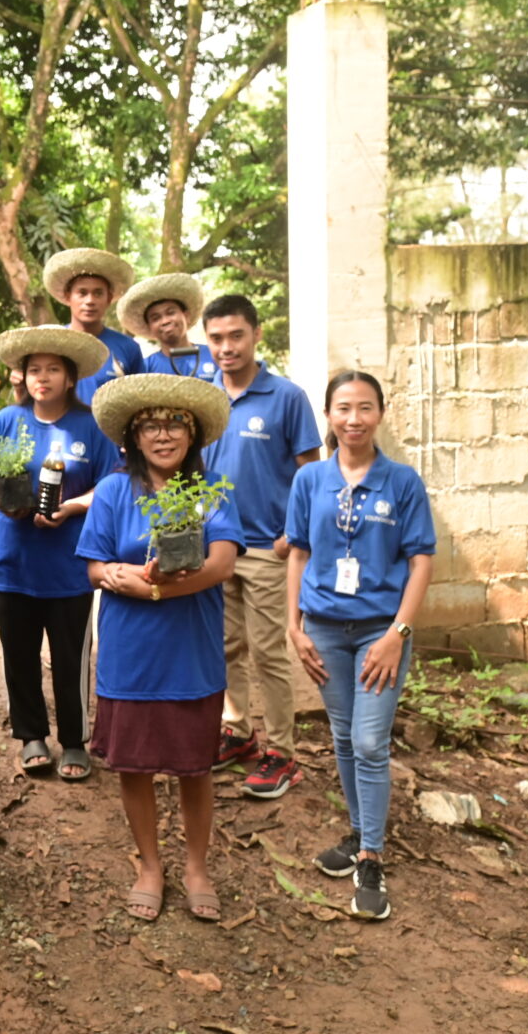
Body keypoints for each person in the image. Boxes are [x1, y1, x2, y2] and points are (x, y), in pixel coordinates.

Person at [76, 374, 243, 923]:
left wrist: (154, 586)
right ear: (132, 436)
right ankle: (150, 864)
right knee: (136, 766)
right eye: (151, 425)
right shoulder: (112, 490)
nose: (164, 434)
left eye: (176, 424)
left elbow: (220, 563)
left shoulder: (210, 488)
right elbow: (95, 564)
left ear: (193, 434)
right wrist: (115, 575)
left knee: (196, 767)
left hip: (191, 649)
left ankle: (197, 866)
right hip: (131, 651)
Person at [286, 372, 435, 920]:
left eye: (365, 408)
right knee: (345, 737)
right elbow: (298, 554)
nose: (354, 419)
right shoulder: (309, 482)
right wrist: (294, 625)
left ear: (381, 413)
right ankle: (358, 832)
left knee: (371, 742)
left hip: (379, 631)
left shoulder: (402, 482)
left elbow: (421, 561)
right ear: (328, 415)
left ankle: (371, 855)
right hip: (324, 628)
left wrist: (397, 633)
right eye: (343, 408)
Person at [0, 326, 120, 781]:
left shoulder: (91, 425)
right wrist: (9, 502)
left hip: (70, 562)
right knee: (18, 654)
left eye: (53, 369)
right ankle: (31, 735)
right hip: (14, 561)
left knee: (73, 654)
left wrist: (74, 505)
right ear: (24, 375)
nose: (43, 377)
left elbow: (112, 481)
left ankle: (75, 740)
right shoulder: (6, 422)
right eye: (35, 369)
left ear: (71, 377)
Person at [198, 294, 322, 800]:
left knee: (270, 651)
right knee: (225, 647)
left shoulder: (286, 397)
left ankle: (282, 753)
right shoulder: (203, 397)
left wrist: (292, 537)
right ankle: (239, 733)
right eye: (216, 339)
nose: (226, 348)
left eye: (235, 336)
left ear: (256, 335)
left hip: (267, 551)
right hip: (216, 548)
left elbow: (311, 473)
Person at [41, 248, 146, 405]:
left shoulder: (128, 348)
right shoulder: (51, 344)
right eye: (82, 293)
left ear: (109, 298)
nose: (90, 301)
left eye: (98, 293)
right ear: (68, 296)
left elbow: (140, 401)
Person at [120, 274, 217, 380]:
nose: (165, 321)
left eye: (171, 313)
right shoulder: (146, 368)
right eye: (155, 318)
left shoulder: (214, 355)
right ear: (149, 327)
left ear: (186, 316)